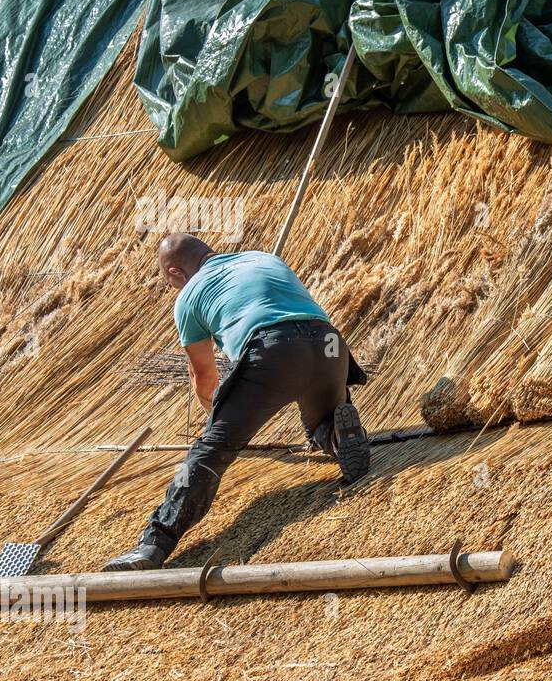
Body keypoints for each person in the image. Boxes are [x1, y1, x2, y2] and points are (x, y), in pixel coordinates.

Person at [103, 234, 371, 571]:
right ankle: (338, 435)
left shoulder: (188, 296)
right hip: (329, 344)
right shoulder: (263, 258)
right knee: (320, 418)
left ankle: (153, 543)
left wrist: (218, 425)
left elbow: (204, 375)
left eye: (167, 280)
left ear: (175, 271)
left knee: (209, 452)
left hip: (274, 350)